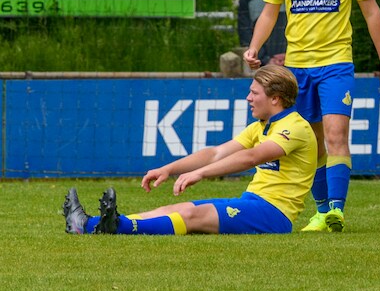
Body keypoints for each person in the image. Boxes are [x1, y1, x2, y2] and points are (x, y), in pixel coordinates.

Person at [243, 0, 380, 233]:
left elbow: (371, 12)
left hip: (336, 64)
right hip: (297, 70)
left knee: (336, 135)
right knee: (312, 144)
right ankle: (321, 211)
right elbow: (269, 12)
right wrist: (254, 46)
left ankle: (337, 211)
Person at [62, 66, 317, 235]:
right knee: (171, 209)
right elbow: (216, 153)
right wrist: (168, 169)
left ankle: (107, 226)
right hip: (251, 203)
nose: (248, 98)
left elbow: (251, 158)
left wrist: (200, 174)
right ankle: (92, 224)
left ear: (275, 98)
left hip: (274, 215)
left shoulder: (294, 127)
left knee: (191, 214)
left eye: (254, 93)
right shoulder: (260, 127)